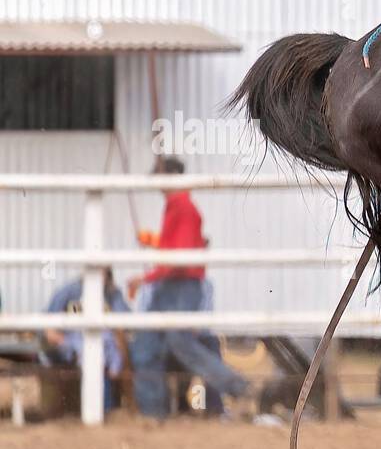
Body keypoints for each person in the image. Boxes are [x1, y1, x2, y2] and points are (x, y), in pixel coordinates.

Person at [128, 156, 249, 419]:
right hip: (178, 284)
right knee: (158, 344)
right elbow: (177, 251)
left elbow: (178, 258)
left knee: (163, 344)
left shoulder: (180, 208)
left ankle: (234, 385)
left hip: (178, 285)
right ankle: (156, 411)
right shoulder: (180, 207)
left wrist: (146, 278)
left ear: (170, 176)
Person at [42, 272, 131, 410]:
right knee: (95, 359)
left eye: (103, 273)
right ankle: (98, 408)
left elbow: (123, 324)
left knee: (105, 359)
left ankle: (102, 408)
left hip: (103, 345)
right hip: (73, 344)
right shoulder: (69, 291)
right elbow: (49, 329)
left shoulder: (112, 294)